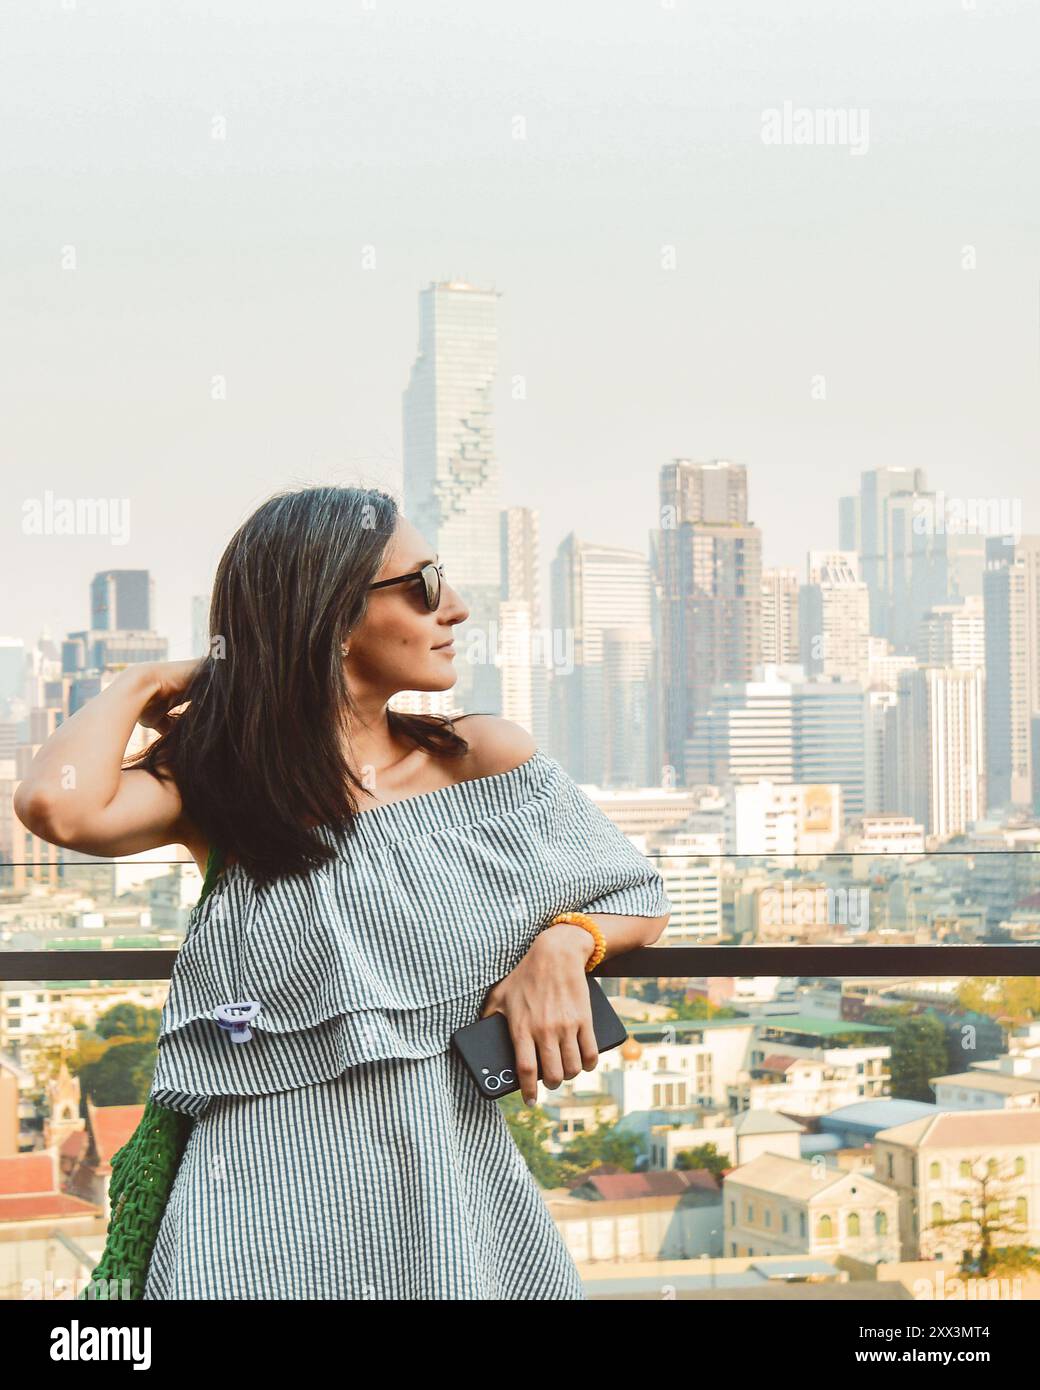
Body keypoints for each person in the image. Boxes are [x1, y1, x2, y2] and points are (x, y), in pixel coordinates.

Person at [14, 483, 671, 1300]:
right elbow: (55, 804)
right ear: (330, 612)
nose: (456, 608)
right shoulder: (224, 784)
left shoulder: (483, 758)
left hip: (443, 1194)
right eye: (425, 586)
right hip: (247, 1216)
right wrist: (147, 680)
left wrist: (564, 943)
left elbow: (636, 892)